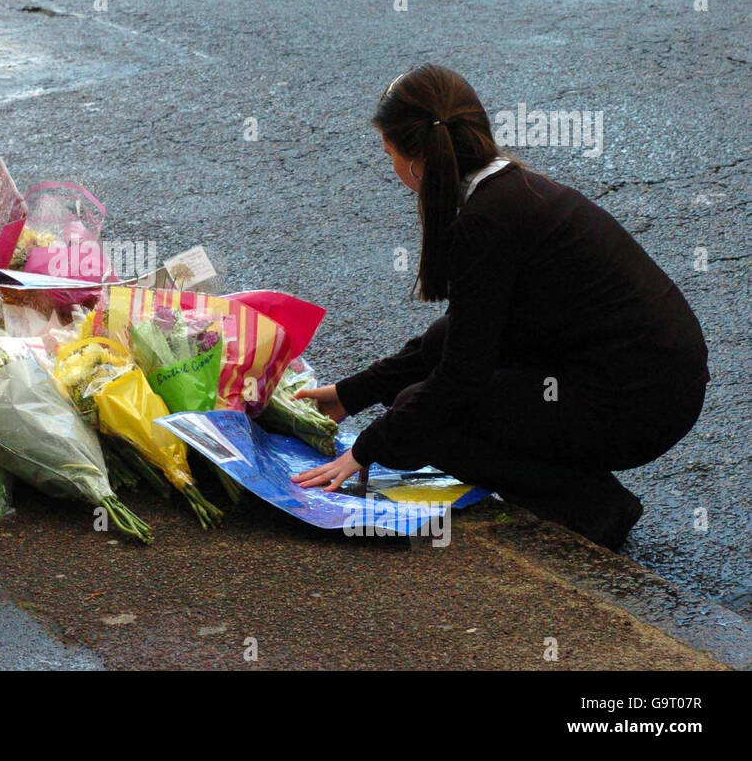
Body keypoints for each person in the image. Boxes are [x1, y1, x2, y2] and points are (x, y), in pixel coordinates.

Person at [292, 65, 709, 551]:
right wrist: (348, 395)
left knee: (427, 420)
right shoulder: (510, 193)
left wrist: (368, 449)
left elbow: (460, 378)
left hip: (638, 405)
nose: (390, 167)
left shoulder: (485, 223)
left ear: (417, 162)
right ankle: (573, 483)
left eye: (389, 154)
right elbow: (459, 339)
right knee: (431, 360)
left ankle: (593, 506)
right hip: (650, 382)